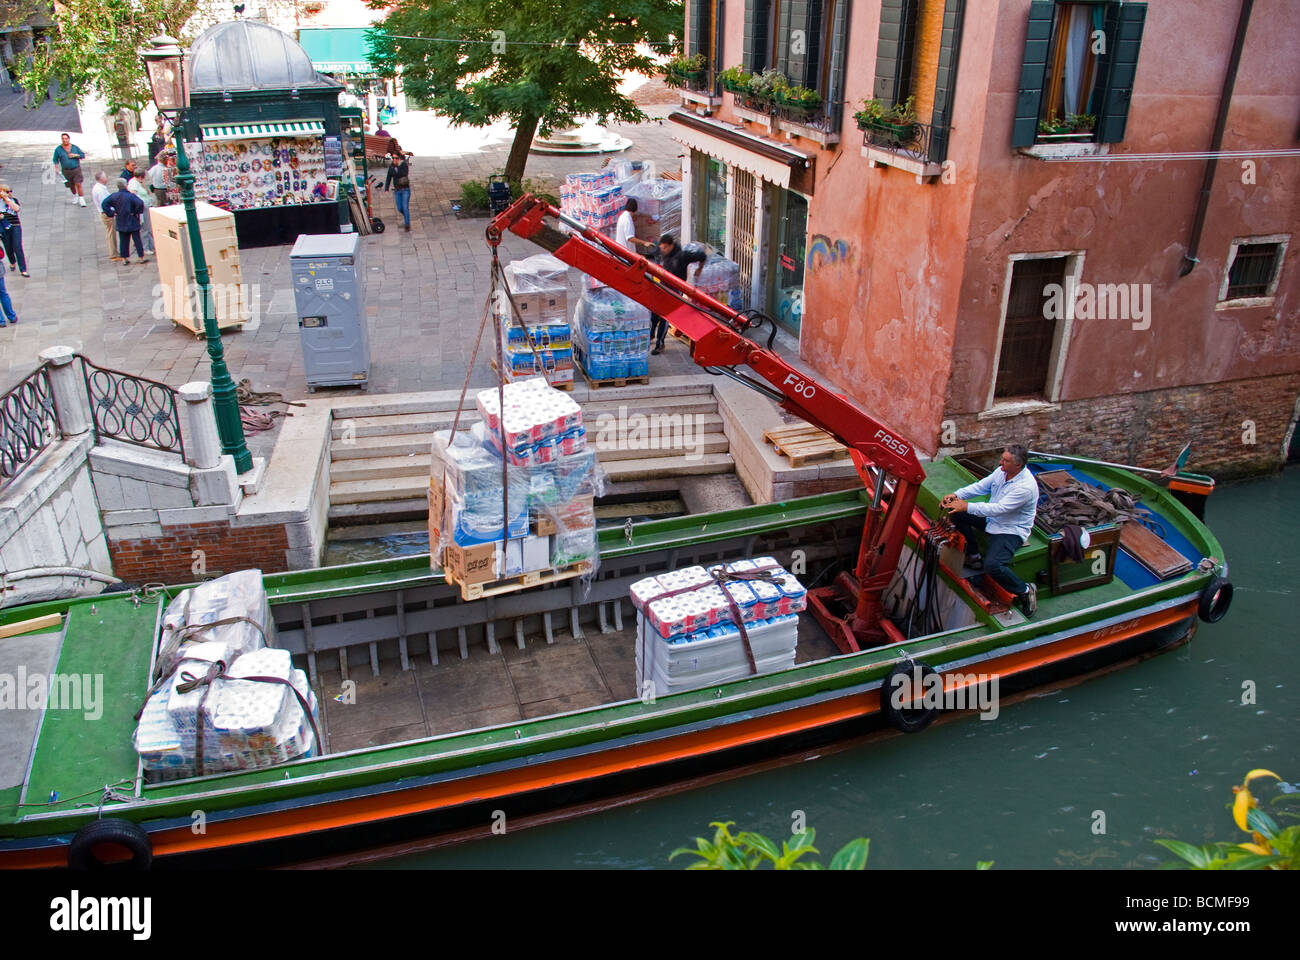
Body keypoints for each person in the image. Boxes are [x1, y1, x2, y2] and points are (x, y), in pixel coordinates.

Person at [941, 444, 1040, 616]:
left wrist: (967, 506)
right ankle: (974, 555)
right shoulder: (1001, 471)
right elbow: (981, 486)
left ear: (1018, 465)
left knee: (993, 565)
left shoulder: (1025, 488)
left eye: (1005, 460)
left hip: (1009, 529)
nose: (1001, 462)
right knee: (955, 513)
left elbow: (998, 509)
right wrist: (956, 496)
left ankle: (1024, 590)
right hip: (992, 520)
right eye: (1002, 458)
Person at [648, 234, 706, 354]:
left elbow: (702, 256)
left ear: (671, 245)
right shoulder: (663, 252)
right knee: (654, 313)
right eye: (661, 248)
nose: (662, 250)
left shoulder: (683, 255)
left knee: (665, 316)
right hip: (663, 285)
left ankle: (660, 344)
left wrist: (699, 269)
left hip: (675, 289)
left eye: (664, 248)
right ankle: (651, 335)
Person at [101, 178, 146, 265]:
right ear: (126, 185)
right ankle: (141, 257)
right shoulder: (131, 196)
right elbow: (140, 203)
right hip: (132, 218)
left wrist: (111, 213)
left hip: (121, 219)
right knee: (137, 239)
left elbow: (104, 204)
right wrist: (137, 212)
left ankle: (124, 258)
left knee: (123, 240)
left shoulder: (114, 196)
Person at [90, 171, 120, 261]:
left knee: (111, 233)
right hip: (106, 214)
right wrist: (112, 212)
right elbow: (105, 204)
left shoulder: (98, 188)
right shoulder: (100, 190)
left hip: (104, 212)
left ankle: (114, 253)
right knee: (111, 234)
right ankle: (113, 254)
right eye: (106, 177)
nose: (107, 178)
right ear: (102, 179)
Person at [0, 182, 28, 276]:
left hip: (15, 225)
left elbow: (16, 209)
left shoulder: (13, 200)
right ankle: (12, 261)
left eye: (10, 191)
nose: (10, 193)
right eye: (7, 192)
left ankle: (23, 269)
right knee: (8, 247)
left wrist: (7, 199)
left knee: (17, 247)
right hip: (4, 227)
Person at [52, 133, 87, 205]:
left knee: (78, 183)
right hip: (66, 170)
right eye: (63, 139)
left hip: (76, 169)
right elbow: (55, 159)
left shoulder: (74, 147)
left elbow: (83, 155)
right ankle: (75, 195)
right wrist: (56, 168)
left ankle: (81, 199)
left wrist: (75, 155)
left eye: (66, 138)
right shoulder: (58, 149)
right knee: (71, 185)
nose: (64, 140)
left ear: (69, 139)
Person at [127, 172, 155, 255]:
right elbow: (133, 196)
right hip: (143, 208)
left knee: (148, 227)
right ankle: (146, 247)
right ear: (140, 177)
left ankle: (151, 245)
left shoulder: (138, 183)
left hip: (146, 206)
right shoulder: (134, 184)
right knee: (145, 228)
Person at [389, 152, 410, 230]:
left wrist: (397, 168)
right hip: (397, 190)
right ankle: (406, 216)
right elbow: (389, 176)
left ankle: (407, 224)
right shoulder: (391, 166)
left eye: (396, 158)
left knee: (405, 207)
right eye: (393, 158)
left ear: (399, 158)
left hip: (405, 189)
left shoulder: (403, 165)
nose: (394, 160)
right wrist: (386, 188)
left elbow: (404, 174)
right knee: (399, 208)